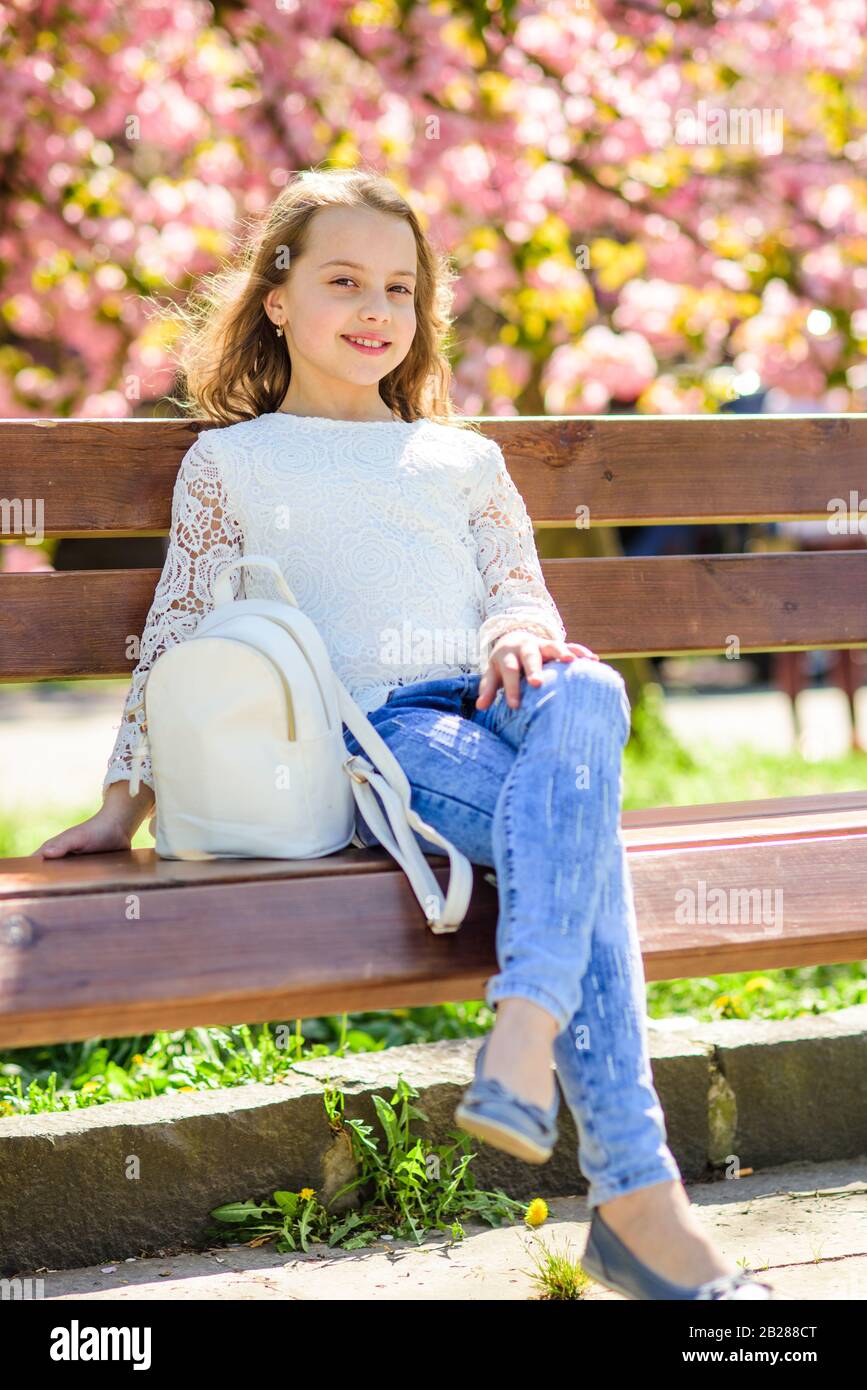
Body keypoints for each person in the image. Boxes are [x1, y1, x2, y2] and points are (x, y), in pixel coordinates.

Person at [31, 166, 772, 1301]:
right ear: (277, 297)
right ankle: (636, 1197)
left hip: (498, 700)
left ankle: (528, 1025)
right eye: (343, 281)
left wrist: (525, 631)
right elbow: (179, 629)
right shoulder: (232, 461)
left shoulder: (459, 457)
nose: (377, 309)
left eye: (399, 287)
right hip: (378, 736)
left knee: (594, 690)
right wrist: (123, 804)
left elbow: (518, 585)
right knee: (587, 836)